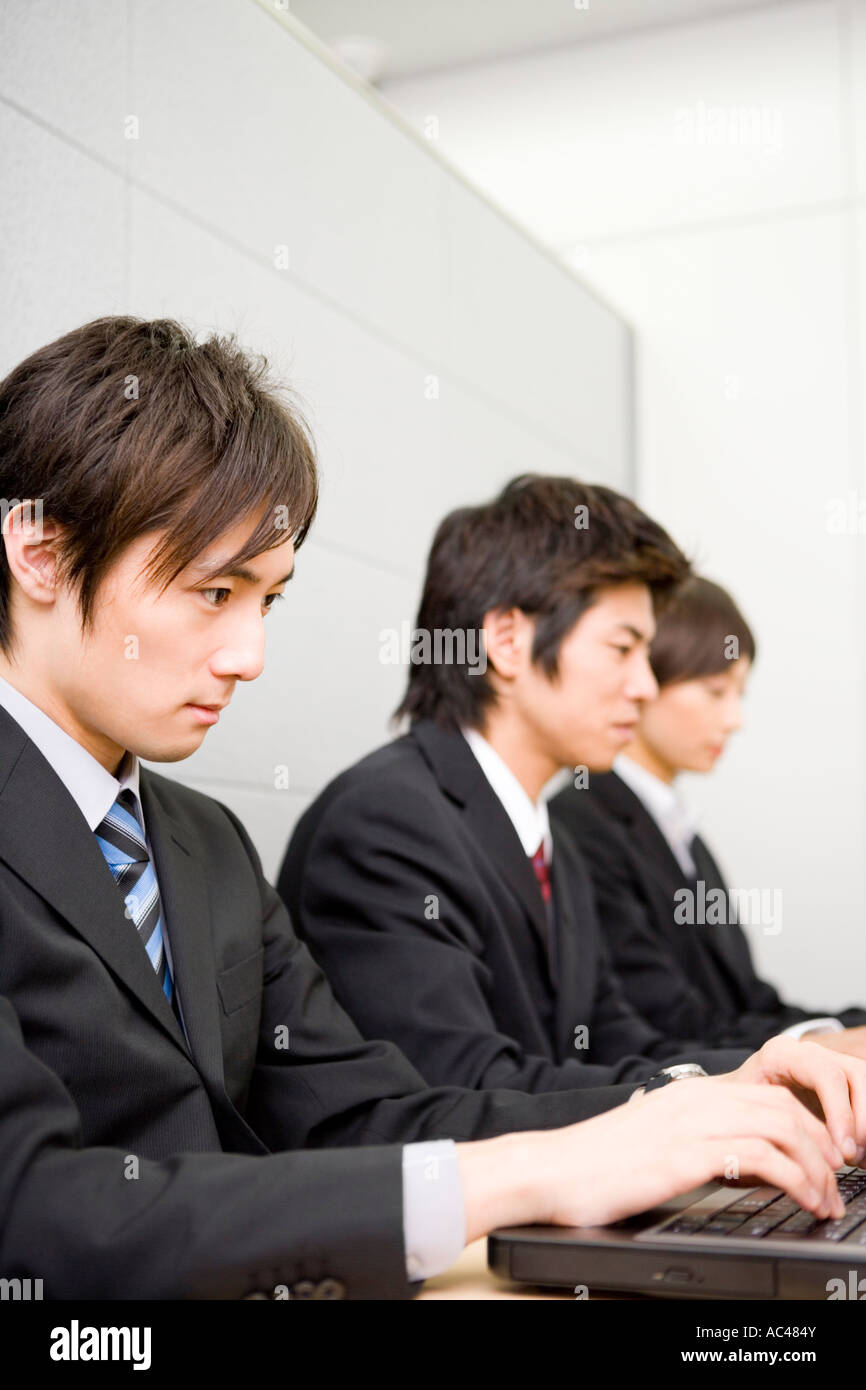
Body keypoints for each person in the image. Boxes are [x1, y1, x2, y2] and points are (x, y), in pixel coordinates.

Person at [0, 317, 860, 1302]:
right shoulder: (383, 821)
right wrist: (535, 1169)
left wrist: (687, 1108)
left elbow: (360, 1113)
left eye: (267, 601)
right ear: (41, 549)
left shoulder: (206, 843)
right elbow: (30, 1206)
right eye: (213, 591)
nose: (249, 654)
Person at [278, 477, 866, 1098]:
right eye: (623, 648)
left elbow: (630, 1048)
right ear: (507, 642)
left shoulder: (547, 837)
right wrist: (732, 1100)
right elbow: (463, 1093)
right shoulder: (386, 820)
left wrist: (794, 1068)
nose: (644, 685)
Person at [548, 575, 866, 1051]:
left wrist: (847, 1029)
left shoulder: (681, 833)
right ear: (647, 681)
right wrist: (830, 1046)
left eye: (741, 694)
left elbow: (747, 1001)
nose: (735, 719)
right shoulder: (578, 826)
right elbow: (671, 1024)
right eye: (717, 692)